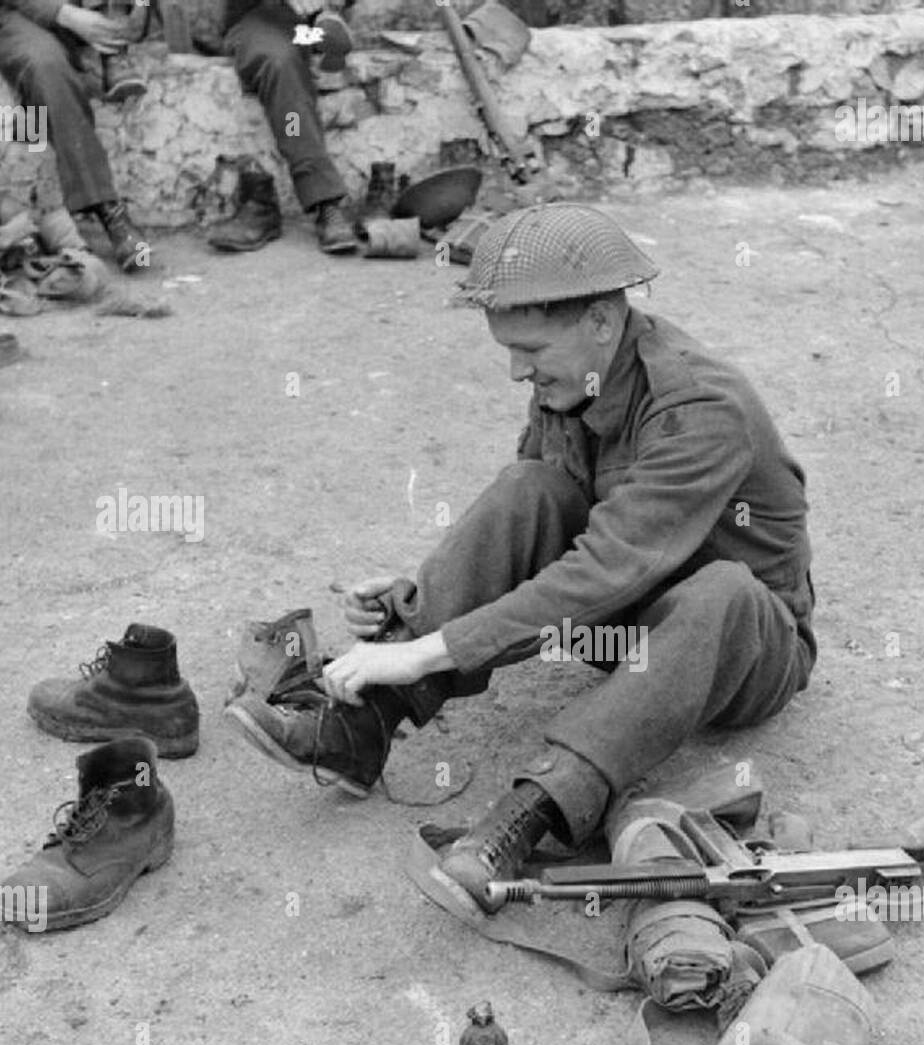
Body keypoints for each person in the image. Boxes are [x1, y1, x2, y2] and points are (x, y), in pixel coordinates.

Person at [224, 203, 817, 909]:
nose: (514, 372)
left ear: (601, 320)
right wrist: (419, 601)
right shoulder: (575, 381)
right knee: (527, 486)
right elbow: (538, 523)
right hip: (626, 622)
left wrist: (430, 650)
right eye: (509, 350)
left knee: (721, 588)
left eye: (530, 353)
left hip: (741, 650)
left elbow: (605, 569)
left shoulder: (698, 407)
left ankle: (533, 811)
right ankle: (364, 724)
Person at [0, 0, 149, 271]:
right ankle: (108, 208)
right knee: (47, 63)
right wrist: (63, 14)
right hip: (13, 16)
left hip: (80, 15)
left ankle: (114, 57)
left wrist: (139, 5)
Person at [211, 1, 357, 253]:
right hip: (259, 18)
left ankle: (325, 27)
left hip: (313, 16)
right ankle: (324, 200)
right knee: (282, 70)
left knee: (315, 34)